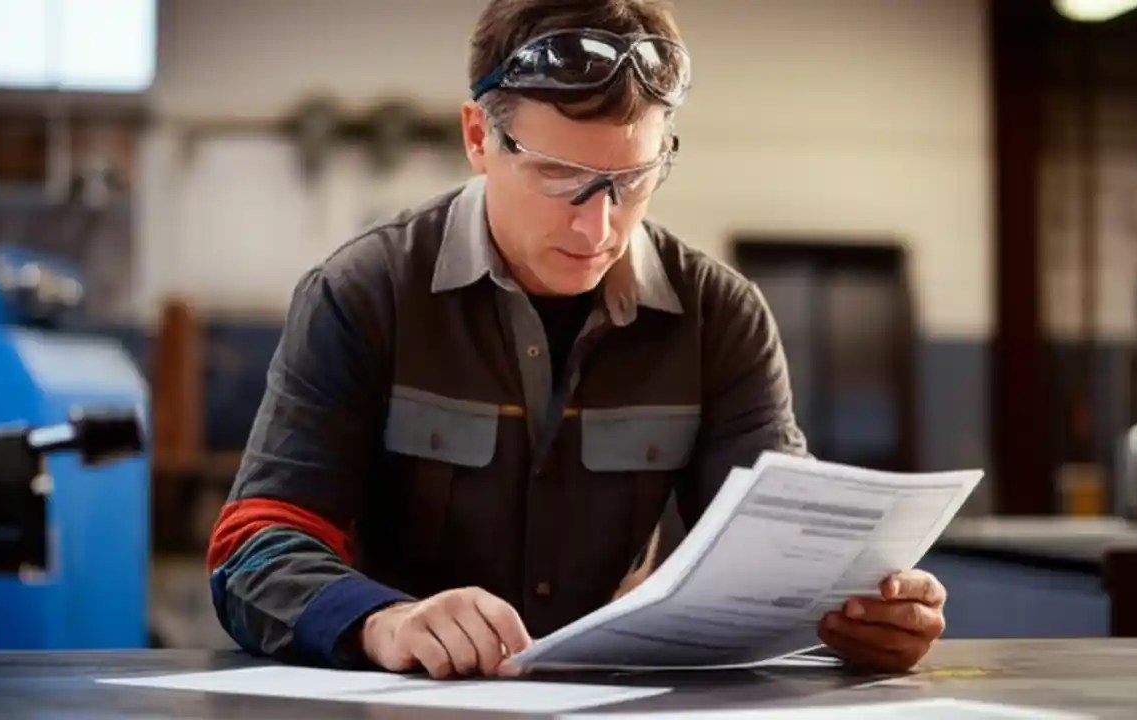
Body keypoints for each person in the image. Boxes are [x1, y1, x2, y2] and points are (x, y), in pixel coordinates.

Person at [206, 0, 948, 679]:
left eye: (633, 179)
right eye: (560, 177)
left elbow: (781, 553)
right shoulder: (364, 295)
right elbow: (255, 549)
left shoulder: (719, 317)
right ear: (478, 137)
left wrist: (860, 610)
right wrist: (381, 620)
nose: (598, 229)